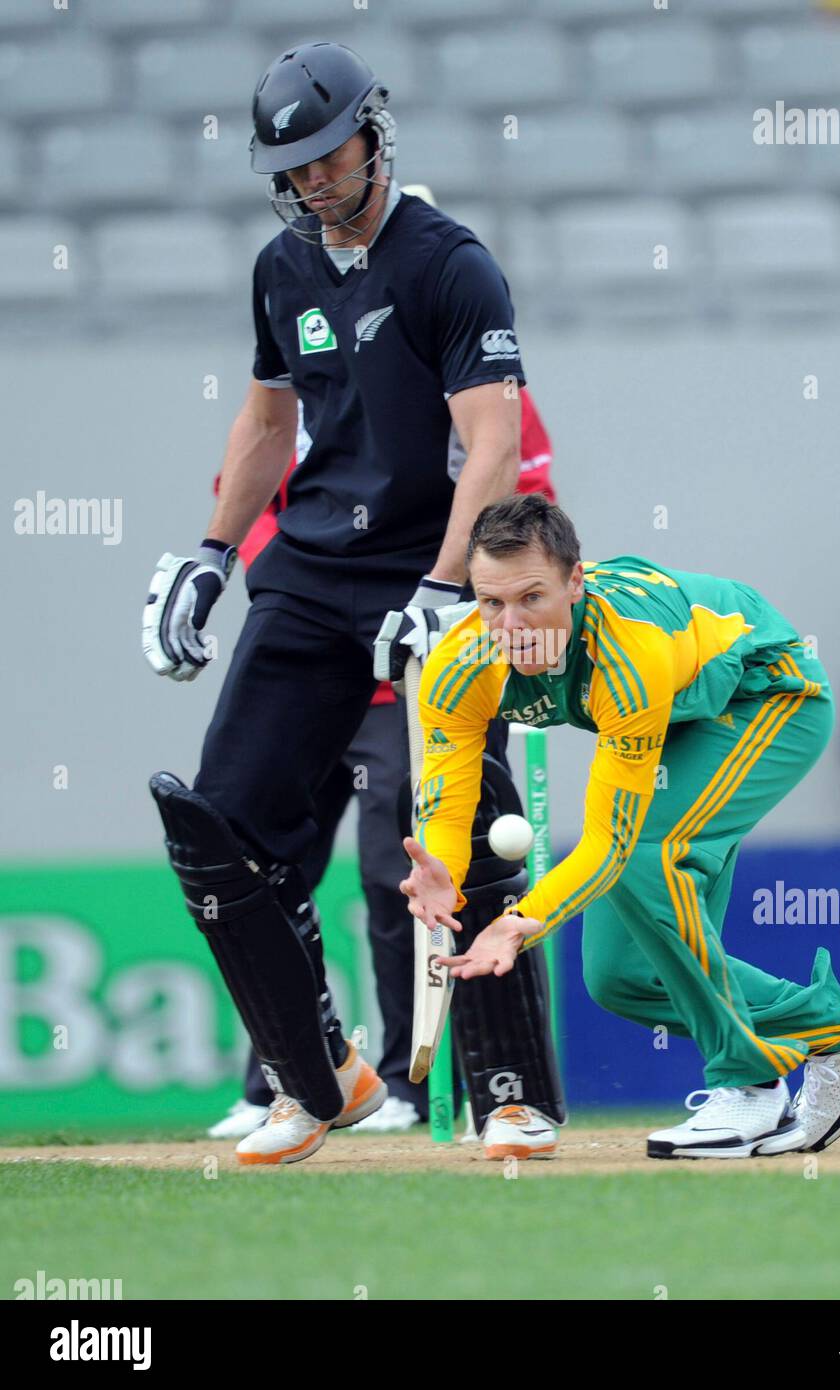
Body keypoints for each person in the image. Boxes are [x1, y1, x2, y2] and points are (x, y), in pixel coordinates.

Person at [143, 41, 527, 1167]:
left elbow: (493, 439)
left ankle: (506, 1091)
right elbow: (267, 424)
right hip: (308, 572)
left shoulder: (449, 260)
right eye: (294, 167)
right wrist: (212, 554)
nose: (314, 181)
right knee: (224, 827)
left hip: (425, 566)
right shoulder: (281, 267)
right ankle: (318, 1078)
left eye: (329, 154)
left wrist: (447, 585)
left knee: (466, 825)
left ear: (374, 132)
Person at [398, 495, 840, 1159]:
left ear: (575, 582)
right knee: (619, 977)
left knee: (647, 854)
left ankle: (751, 1085)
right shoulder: (460, 662)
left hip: (770, 696)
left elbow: (611, 844)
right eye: (491, 602)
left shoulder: (627, 654)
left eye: (532, 597)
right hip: (679, 728)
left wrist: (522, 917)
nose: (511, 624)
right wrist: (443, 870)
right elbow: (446, 803)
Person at [209, 371, 559, 1142]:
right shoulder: (308, 377)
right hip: (312, 666)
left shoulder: (471, 371)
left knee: (399, 871)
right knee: (262, 862)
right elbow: (252, 495)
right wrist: (294, 601)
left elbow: (527, 499)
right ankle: (286, 1077)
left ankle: (412, 1078)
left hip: (416, 677)